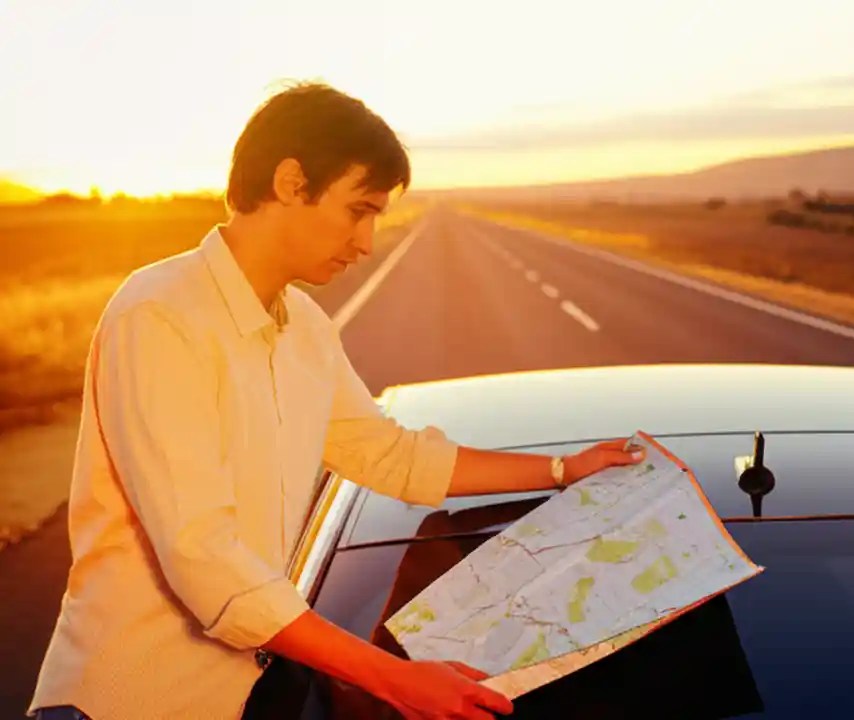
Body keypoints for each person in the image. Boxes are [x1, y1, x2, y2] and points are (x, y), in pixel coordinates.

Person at [27, 82, 646, 720]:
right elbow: (202, 555)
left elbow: (389, 457)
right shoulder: (159, 314)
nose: (367, 241)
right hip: (130, 701)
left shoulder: (306, 327)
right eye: (358, 210)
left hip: (250, 698)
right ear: (292, 182)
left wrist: (562, 471)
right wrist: (395, 680)